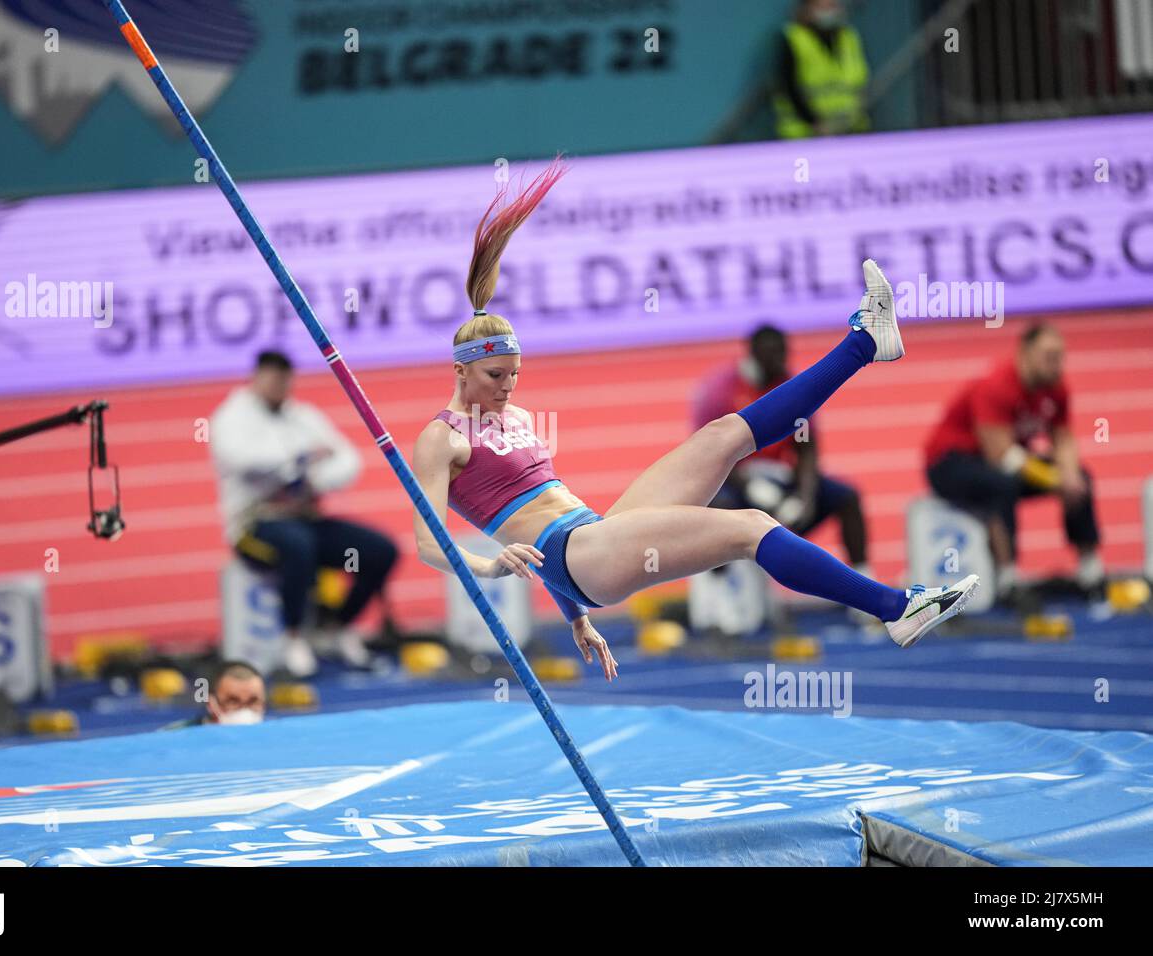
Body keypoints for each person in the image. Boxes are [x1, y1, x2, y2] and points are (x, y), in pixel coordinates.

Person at [411, 160, 978, 681]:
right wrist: (491, 566)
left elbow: (543, 514)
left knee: (724, 434)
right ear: (461, 374)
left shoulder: (517, 415)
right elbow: (429, 544)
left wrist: (576, 616)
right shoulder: (442, 438)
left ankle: (865, 342)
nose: (508, 387)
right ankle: (895, 608)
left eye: (515, 374)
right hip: (582, 553)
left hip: (589, 541)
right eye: (495, 378)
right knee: (750, 526)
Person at [211, 350, 399, 677]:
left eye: (285, 380)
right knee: (299, 548)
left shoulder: (303, 416)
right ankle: (293, 636)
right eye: (271, 379)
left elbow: (348, 461)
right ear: (255, 378)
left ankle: (336, 626)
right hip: (255, 525)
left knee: (380, 550)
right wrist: (300, 459)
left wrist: (314, 477)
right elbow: (241, 460)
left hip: (305, 519)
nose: (279, 387)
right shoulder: (231, 418)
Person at [924, 323, 1102, 603]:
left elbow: (1064, 440)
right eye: (1048, 356)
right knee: (1002, 485)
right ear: (1025, 353)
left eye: (1060, 356)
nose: (1056, 364)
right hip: (950, 462)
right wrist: (1055, 480)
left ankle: (1089, 570)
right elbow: (1001, 455)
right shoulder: (996, 385)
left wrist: (1068, 475)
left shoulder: (1056, 388)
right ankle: (1007, 578)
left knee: (1081, 478)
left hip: (1001, 458)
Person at [692, 325, 874, 599]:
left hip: (780, 480)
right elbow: (708, 456)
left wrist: (804, 497)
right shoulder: (721, 391)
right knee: (718, 507)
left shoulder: (791, 386)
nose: (780, 361)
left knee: (846, 496)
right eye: (772, 355)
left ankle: (863, 584)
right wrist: (751, 488)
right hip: (734, 479)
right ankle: (724, 597)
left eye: (782, 354)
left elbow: (807, 449)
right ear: (753, 354)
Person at [773, 0, 870, 139]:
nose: (827, 11)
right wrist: (814, 122)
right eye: (821, 6)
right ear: (807, 8)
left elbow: (860, 82)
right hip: (805, 136)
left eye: (832, 5)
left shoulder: (849, 37)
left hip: (851, 131)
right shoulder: (794, 39)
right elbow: (787, 86)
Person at [163, 660, 267, 729]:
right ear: (211, 703)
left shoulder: (275, 738)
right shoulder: (174, 736)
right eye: (233, 701)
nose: (244, 710)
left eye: (253, 701)